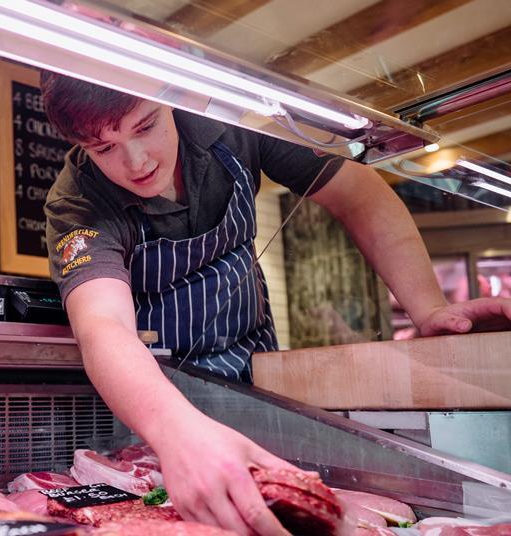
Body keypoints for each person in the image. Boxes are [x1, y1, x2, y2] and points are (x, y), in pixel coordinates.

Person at [40, 73, 511, 535]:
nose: (136, 161)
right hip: (154, 412)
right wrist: (175, 432)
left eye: (146, 126)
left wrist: (428, 309)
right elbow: (103, 326)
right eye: (105, 148)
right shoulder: (78, 202)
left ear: (172, 96)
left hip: (260, 387)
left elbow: (358, 194)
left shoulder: (234, 121)